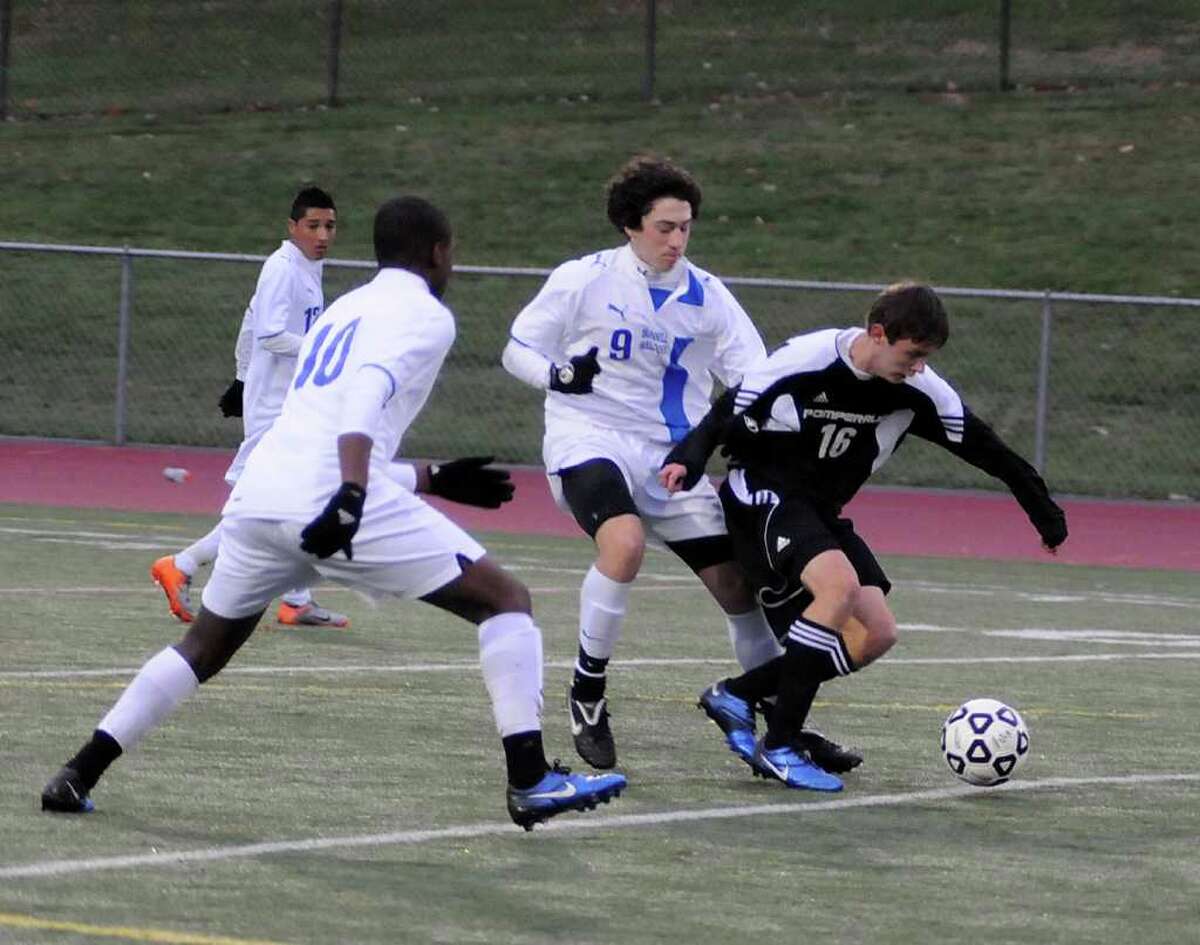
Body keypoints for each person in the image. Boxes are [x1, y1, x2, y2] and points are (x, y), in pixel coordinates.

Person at [42, 196, 627, 830]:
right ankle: (531, 778)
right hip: (330, 497)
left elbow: (319, 424)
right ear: (437, 252)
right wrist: (351, 495)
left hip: (261, 496)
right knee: (505, 599)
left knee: (202, 647)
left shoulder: (344, 307)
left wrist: (429, 478)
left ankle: (77, 773)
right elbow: (363, 400)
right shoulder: (427, 316)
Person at [501, 155, 856, 774]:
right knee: (624, 542)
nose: (677, 240)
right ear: (630, 225)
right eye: (664, 227)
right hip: (590, 437)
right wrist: (556, 374)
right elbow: (517, 348)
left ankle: (779, 723)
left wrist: (780, 425)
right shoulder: (583, 280)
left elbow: (756, 374)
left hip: (671, 460)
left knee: (740, 589)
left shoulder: (708, 295)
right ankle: (587, 692)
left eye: (686, 227)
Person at [660, 282, 1068, 791]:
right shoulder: (807, 358)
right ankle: (781, 744)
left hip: (821, 512)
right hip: (762, 494)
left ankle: (737, 694)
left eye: (926, 358)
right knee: (839, 589)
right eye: (912, 354)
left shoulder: (919, 390)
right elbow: (729, 408)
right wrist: (687, 457)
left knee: (875, 634)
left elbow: (988, 447)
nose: (918, 366)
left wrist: (1043, 512)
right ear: (878, 334)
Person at [151, 186, 352, 628]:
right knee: (259, 509)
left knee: (297, 503)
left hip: (293, 405)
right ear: (293, 227)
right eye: (313, 225)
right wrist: (328, 351)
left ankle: (296, 601)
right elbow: (271, 334)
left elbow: (250, 318)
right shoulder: (281, 268)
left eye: (330, 226)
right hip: (276, 411)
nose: (322, 234)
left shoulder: (307, 267)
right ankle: (181, 564)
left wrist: (241, 377)